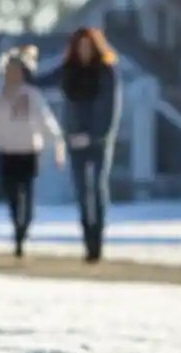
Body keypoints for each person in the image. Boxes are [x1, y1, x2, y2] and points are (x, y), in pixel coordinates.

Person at [0, 45, 65, 258]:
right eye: (7, 69)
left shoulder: (32, 95)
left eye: (14, 69)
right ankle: (18, 230)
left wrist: (58, 146)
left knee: (27, 192)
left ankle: (24, 226)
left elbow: (47, 122)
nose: (10, 74)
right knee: (12, 194)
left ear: (23, 72)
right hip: (6, 151)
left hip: (29, 151)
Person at [42, 27, 123, 263]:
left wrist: (98, 136)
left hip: (99, 139)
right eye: (80, 46)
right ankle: (87, 239)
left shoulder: (106, 72)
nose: (84, 50)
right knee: (80, 190)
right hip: (74, 137)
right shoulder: (69, 71)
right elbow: (44, 80)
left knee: (97, 187)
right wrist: (22, 68)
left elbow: (111, 109)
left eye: (88, 46)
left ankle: (97, 241)